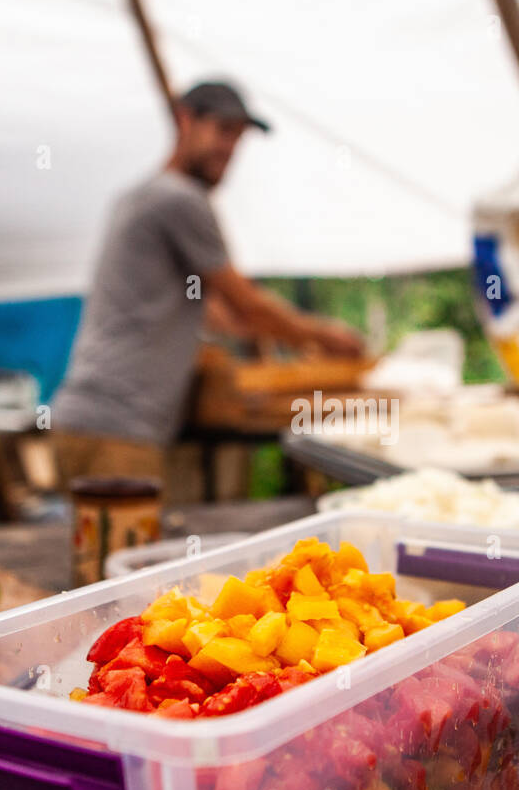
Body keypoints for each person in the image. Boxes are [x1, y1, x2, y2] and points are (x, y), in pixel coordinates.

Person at [51, 80, 362, 490]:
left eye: (237, 138)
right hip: (120, 428)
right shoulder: (179, 200)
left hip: (84, 419)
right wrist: (326, 337)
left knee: (99, 552)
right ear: (184, 120)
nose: (229, 148)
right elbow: (246, 307)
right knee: (131, 551)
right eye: (222, 131)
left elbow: (224, 316)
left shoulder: (135, 198)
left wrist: (280, 340)